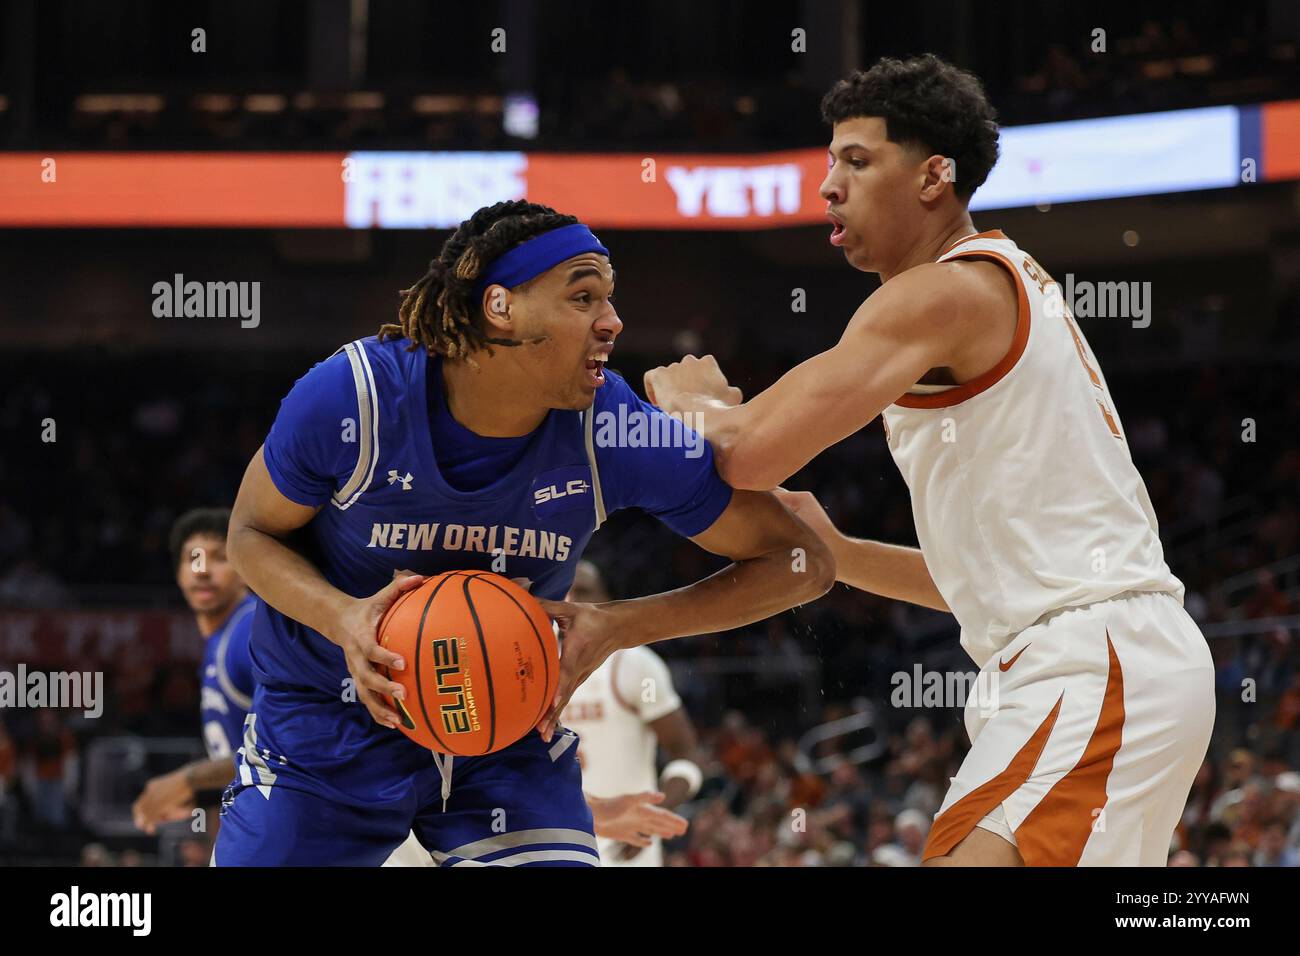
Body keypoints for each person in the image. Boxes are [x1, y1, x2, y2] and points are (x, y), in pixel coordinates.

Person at [646, 55, 1214, 867]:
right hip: (1096, 659)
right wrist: (842, 556)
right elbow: (977, 581)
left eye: (857, 159)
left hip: (1093, 662)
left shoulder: (941, 293)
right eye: (829, 161)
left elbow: (747, 452)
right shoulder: (997, 289)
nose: (828, 186)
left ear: (933, 176)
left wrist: (696, 403)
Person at [214, 199, 833, 866]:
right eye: (583, 296)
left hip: (507, 732)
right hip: (326, 729)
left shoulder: (611, 429)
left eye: (610, 298)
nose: (613, 321)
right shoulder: (353, 398)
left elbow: (801, 561)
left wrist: (619, 626)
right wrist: (344, 618)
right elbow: (249, 535)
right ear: (499, 306)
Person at [560, 560, 704, 866]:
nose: (573, 601)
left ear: (607, 599)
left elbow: (687, 751)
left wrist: (656, 813)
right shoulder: (528, 663)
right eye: (565, 591)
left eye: (584, 590)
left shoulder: (635, 664)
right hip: (554, 840)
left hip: (624, 844)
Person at [132, 508, 254, 835]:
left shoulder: (249, 631)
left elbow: (288, 746)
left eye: (219, 558)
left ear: (246, 569)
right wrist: (201, 795)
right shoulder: (221, 639)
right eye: (193, 559)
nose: (202, 571)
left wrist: (187, 780)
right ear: (177, 573)